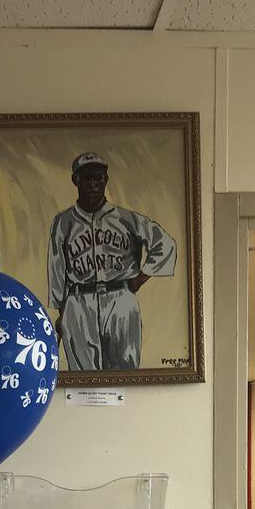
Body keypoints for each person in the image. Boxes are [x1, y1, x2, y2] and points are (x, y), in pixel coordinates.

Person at [47, 153, 177, 372]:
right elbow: (56, 266)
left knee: (125, 372)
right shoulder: (63, 222)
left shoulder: (126, 219)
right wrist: (61, 311)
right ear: (75, 180)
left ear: (105, 179)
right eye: (86, 178)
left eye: (97, 177)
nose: (92, 184)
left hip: (121, 299)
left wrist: (141, 277)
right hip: (79, 300)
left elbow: (165, 244)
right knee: (82, 376)